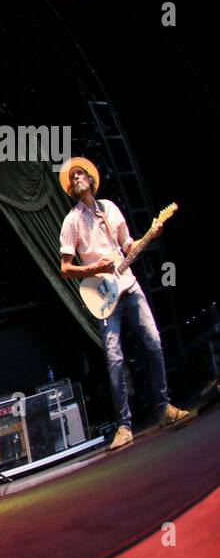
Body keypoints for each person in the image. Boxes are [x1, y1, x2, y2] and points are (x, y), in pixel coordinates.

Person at [57, 157, 191, 451]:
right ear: (71, 188)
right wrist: (95, 269)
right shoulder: (72, 222)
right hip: (104, 296)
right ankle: (124, 425)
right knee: (115, 359)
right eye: (73, 177)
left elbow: (128, 246)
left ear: (91, 180)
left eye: (82, 174)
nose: (77, 177)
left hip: (129, 285)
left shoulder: (110, 208)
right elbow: (65, 268)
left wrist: (150, 236)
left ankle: (164, 407)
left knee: (153, 342)